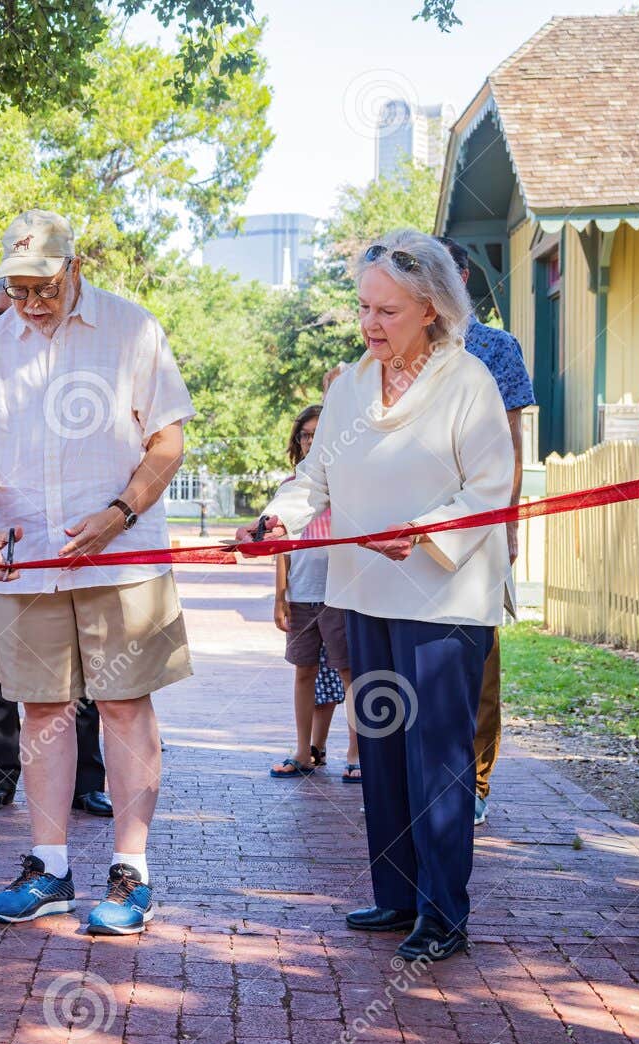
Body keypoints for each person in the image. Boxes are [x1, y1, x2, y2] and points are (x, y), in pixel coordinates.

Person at [251, 229, 513, 962]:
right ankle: (397, 893)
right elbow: (315, 481)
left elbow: (491, 487)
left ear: (430, 307)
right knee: (385, 749)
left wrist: (425, 531)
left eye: (387, 311)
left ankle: (443, 911)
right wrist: (279, 517)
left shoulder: (468, 384)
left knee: (439, 756)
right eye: (364, 307)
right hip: (362, 591)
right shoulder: (351, 388)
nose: (370, 324)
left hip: (443, 599)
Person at [0, 210, 193, 936]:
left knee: (124, 705)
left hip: (120, 557)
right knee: (43, 710)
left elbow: (168, 440)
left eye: (44, 287)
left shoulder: (133, 329)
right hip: (27, 565)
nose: (31, 302)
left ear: (76, 267)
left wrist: (121, 511)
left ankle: (131, 873)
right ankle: (50, 867)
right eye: (18, 288)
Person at [0, 278, 112, 817]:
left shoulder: (60, 364)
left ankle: (86, 778)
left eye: (7, 311)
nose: (3, 322)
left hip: (62, 538)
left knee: (76, 664)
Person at [440, 236, 535, 826]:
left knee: (479, 660)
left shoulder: (497, 348)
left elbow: (512, 444)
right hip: (408, 533)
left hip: (478, 526)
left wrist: (510, 521)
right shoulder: (397, 344)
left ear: (465, 276)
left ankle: (474, 782)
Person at [269, 404, 357, 781]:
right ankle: (304, 751)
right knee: (303, 672)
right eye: (305, 435)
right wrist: (280, 595)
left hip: (340, 591)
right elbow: (281, 547)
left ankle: (356, 752)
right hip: (302, 592)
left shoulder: (349, 484)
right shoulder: (289, 489)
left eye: (318, 434)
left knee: (350, 672)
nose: (310, 441)